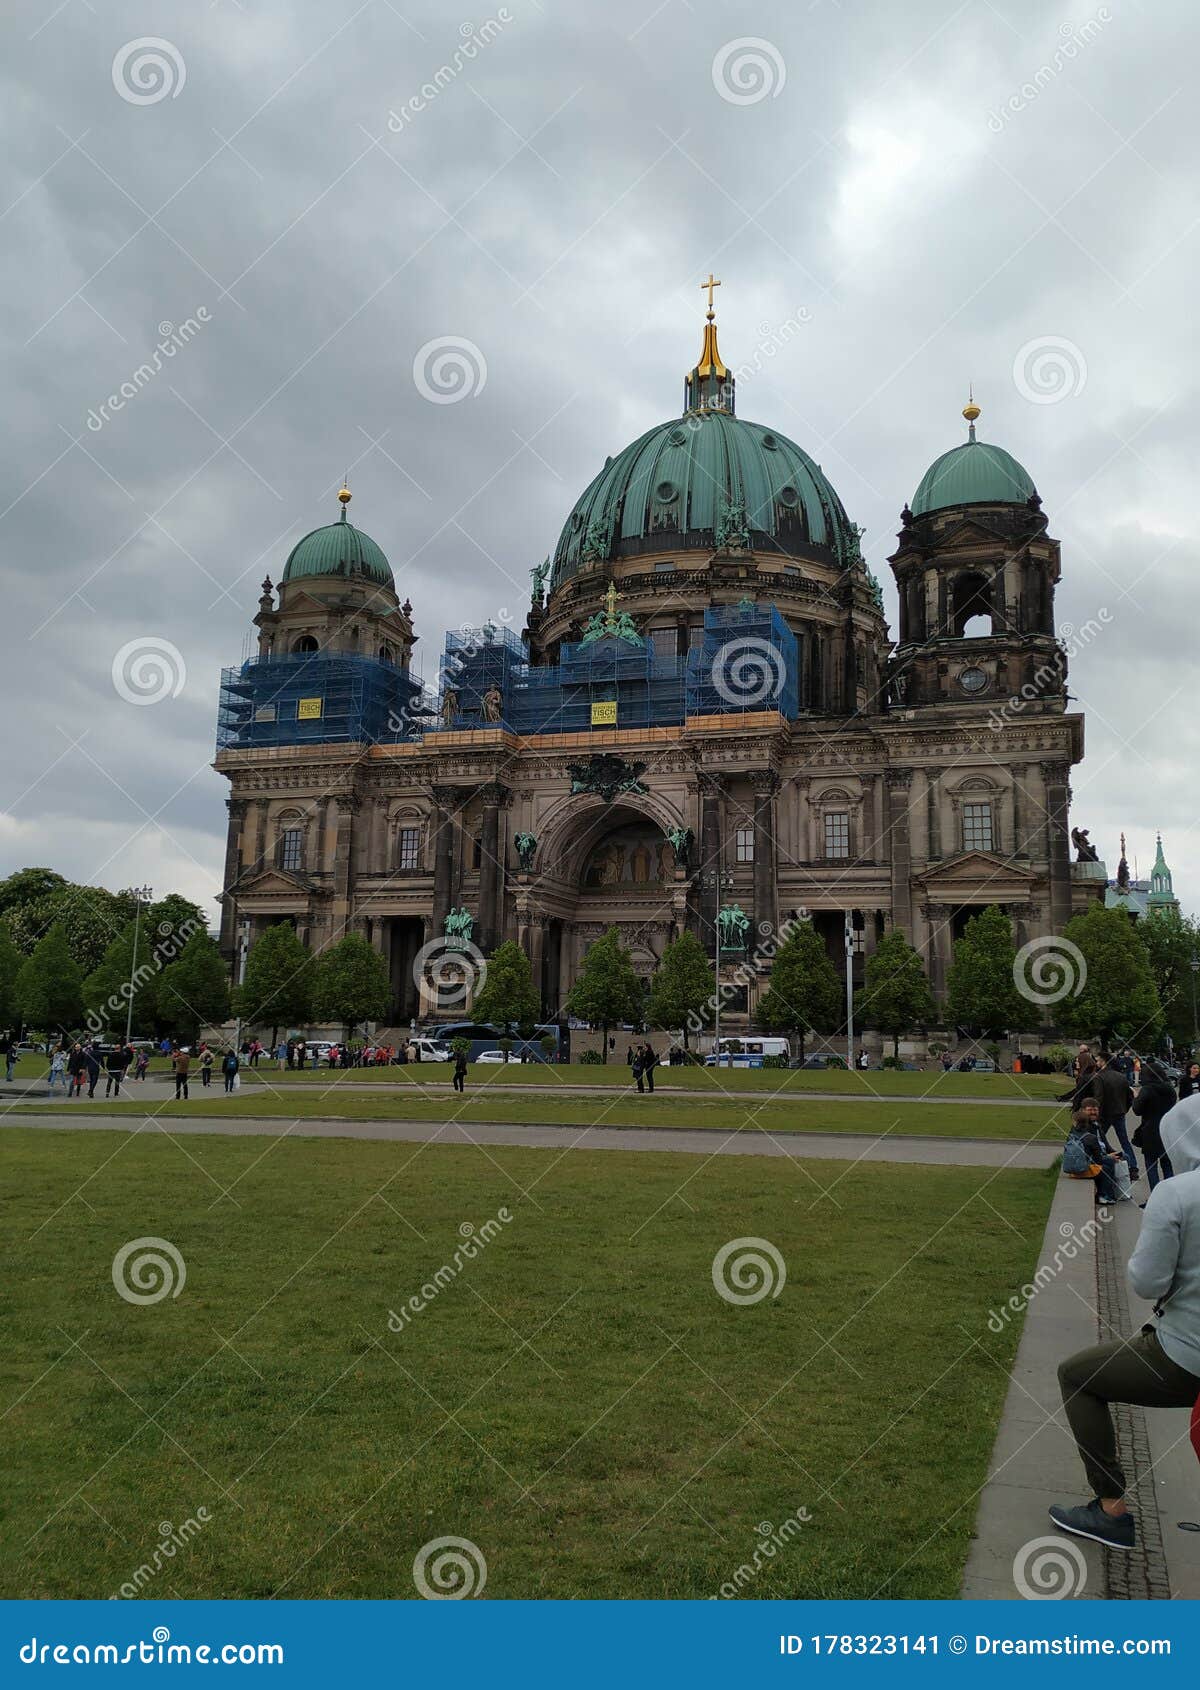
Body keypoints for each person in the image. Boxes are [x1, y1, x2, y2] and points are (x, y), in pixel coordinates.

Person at [1051, 1094, 1200, 1551]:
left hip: (1186, 1355)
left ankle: (1111, 1507)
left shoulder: (1177, 1194)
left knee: (1077, 1376)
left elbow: (1146, 1281)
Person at [1088, 1051, 1139, 1181]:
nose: (1097, 1063)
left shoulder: (1099, 1077)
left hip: (1105, 1114)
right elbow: (1129, 1096)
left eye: (1098, 1060)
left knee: (1097, 1139)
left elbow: (1098, 1098)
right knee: (1124, 1141)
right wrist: (1124, 1109)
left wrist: (1095, 1114)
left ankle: (1094, 1162)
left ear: (1104, 1061)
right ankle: (1133, 1168)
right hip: (1119, 1112)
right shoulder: (1121, 1076)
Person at [1064, 1099, 1123, 1206]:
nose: (1093, 1112)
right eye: (1090, 1110)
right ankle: (1105, 1195)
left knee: (1112, 1161)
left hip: (1072, 1168)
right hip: (1083, 1169)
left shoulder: (1073, 1133)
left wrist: (1111, 1155)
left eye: (1095, 1110)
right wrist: (1109, 1157)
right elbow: (1098, 1160)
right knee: (1107, 1167)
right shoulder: (1090, 1137)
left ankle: (1108, 1194)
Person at [1132, 1060, 1176, 1196]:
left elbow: (1137, 1110)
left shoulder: (1147, 1089)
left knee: (1151, 1166)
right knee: (1167, 1165)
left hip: (1150, 1130)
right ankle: (1172, 1196)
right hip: (1167, 1130)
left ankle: (1155, 1198)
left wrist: (1135, 1097)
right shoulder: (1170, 1089)